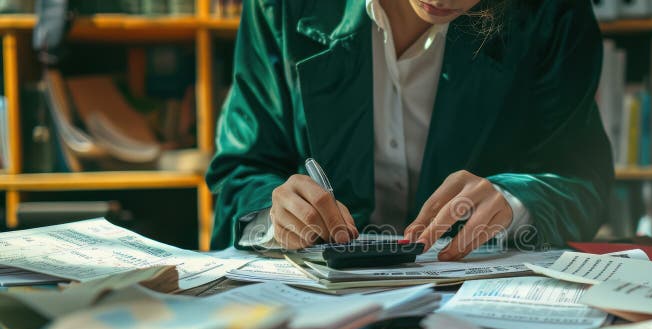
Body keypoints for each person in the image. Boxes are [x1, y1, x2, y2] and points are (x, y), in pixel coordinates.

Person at [207, 0, 613, 260]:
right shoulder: (282, 7)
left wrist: (514, 200)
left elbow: (582, 180)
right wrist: (277, 216)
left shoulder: (553, 14)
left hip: (475, 301)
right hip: (318, 302)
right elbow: (239, 173)